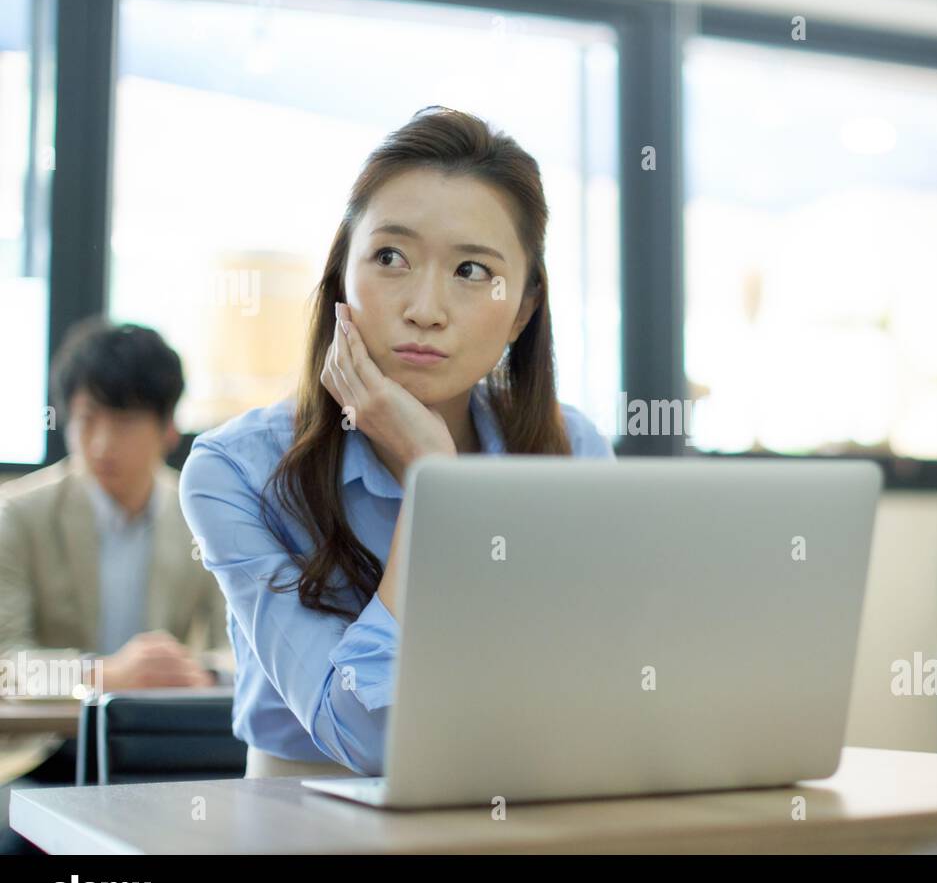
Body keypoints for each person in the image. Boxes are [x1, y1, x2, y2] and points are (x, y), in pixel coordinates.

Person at [179, 106, 615, 779]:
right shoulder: (235, 470)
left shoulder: (571, 450)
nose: (425, 307)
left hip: (524, 809)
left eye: (472, 270)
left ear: (523, 310)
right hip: (299, 822)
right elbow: (368, 732)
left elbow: (596, 700)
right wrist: (433, 484)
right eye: (390, 257)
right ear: (340, 282)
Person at [0, 320, 229, 853]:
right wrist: (105, 673)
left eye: (123, 422)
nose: (100, 443)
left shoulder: (203, 517)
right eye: (85, 420)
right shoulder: (18, 515)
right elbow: (6, 665)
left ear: (168, 427)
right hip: (43, 755)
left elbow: (239, 649)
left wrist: (201, 671)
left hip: (158, 747)